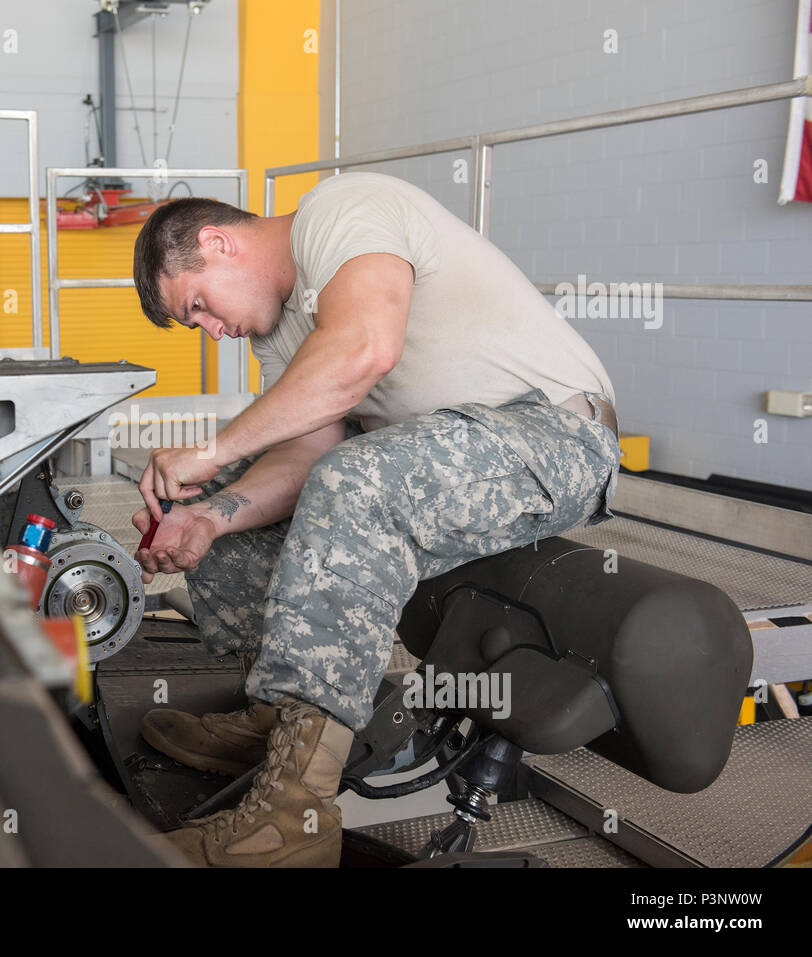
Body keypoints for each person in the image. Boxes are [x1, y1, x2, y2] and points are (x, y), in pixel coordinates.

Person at [128, 171, 620, 868]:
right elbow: (306, 454)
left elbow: (365, 348)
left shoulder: (339, 210)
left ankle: (292, 816)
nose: (212, 331)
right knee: (241, 498)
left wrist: (213, 446)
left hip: (556, 439)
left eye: (199, 306)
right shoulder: (283, 331)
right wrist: (208, 517)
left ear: (217, 242)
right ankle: (282, 722)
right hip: (453, 452)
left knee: (351, 481)